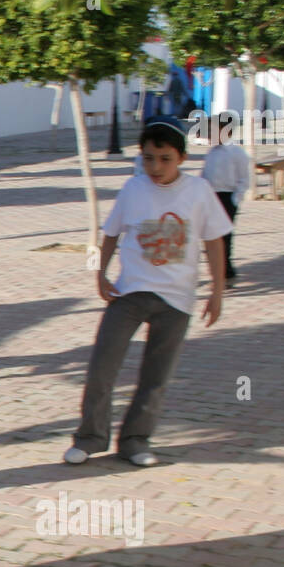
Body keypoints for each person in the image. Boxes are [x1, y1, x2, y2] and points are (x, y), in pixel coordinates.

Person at [64, 118, 232, 468]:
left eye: (164, 158)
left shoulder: (199, 191)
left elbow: (214, 241)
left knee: (156, 376)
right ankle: (90, 438)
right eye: (148, 158)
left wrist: (217, 292)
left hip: (177, 299)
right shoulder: (132, 188)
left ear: (182, 158)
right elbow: (110, 233)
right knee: (102, 368)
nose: (155, 167)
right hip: (130, 293)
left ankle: (135, 441)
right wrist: (100, 274)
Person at [201, 132, 252, 283]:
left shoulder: (237, 153)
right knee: (210, 235)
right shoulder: (211, 153)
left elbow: (244, 179)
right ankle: (215, 270)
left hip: (227, 197)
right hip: (211, 196)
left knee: (225, 236)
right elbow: (204, 175)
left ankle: (226, 272)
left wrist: (235, 200)